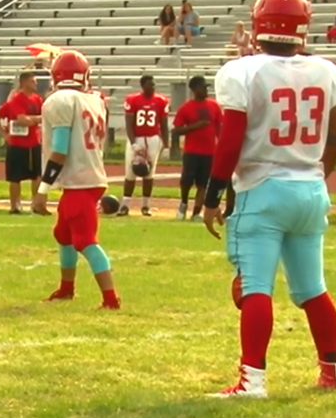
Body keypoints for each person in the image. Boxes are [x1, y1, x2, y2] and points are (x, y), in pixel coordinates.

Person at [201, 0, 336, 397]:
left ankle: (253, 381)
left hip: (263, 189)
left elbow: (229, 142)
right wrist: (311, 175)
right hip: (311, 189)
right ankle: (332, 373)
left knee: (255, 286)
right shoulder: (326, 71)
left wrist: (212, 196)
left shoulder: (242, 70)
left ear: (259, 24)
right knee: (312, 288)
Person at [31, 50, 122, 309]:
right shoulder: (95, 100)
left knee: (84, 240)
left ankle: (110, 298)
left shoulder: (61, 100)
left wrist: (43, 189)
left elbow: (59, 150)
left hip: (80, 181)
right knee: (64, 235)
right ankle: (66, 288)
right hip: (89, 176)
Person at [0, 71, 44, 214]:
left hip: (34, 142)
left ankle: (36, 203)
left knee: (37, 175)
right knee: (15, 177)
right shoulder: (17, 100)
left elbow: (40, 117)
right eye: (33, 81)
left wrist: (33, 120)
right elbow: (21, 120)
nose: (36, 84)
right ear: (24, 82)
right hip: (17, 143)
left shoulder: (37, 99)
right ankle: (15, 204)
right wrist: (4, 134)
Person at [172, 76, 222, 222]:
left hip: (209, 152)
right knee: (187, 181)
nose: (206, 90)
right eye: (203, 87)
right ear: (194, 89)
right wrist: (196, 126)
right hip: (192, 151)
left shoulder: (214, 106)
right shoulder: (186, 108)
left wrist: (220, 145)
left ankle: (196, 212)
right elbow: (177, 130)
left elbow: (219, 127)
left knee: (203, 183)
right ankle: (184, 203)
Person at [119, 74, 170, 216]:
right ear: (143, 86)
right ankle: (125, 205)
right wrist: (133, 142)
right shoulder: (132, 99)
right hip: (137, 138)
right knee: (130, 172)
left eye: (153, 84)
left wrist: (166, 144)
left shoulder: (161, 100)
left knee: (149, 173)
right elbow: (129, 123)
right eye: (149, 84)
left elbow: (164, 124)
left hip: (153, 139)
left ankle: (146, 206)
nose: (152, 87)